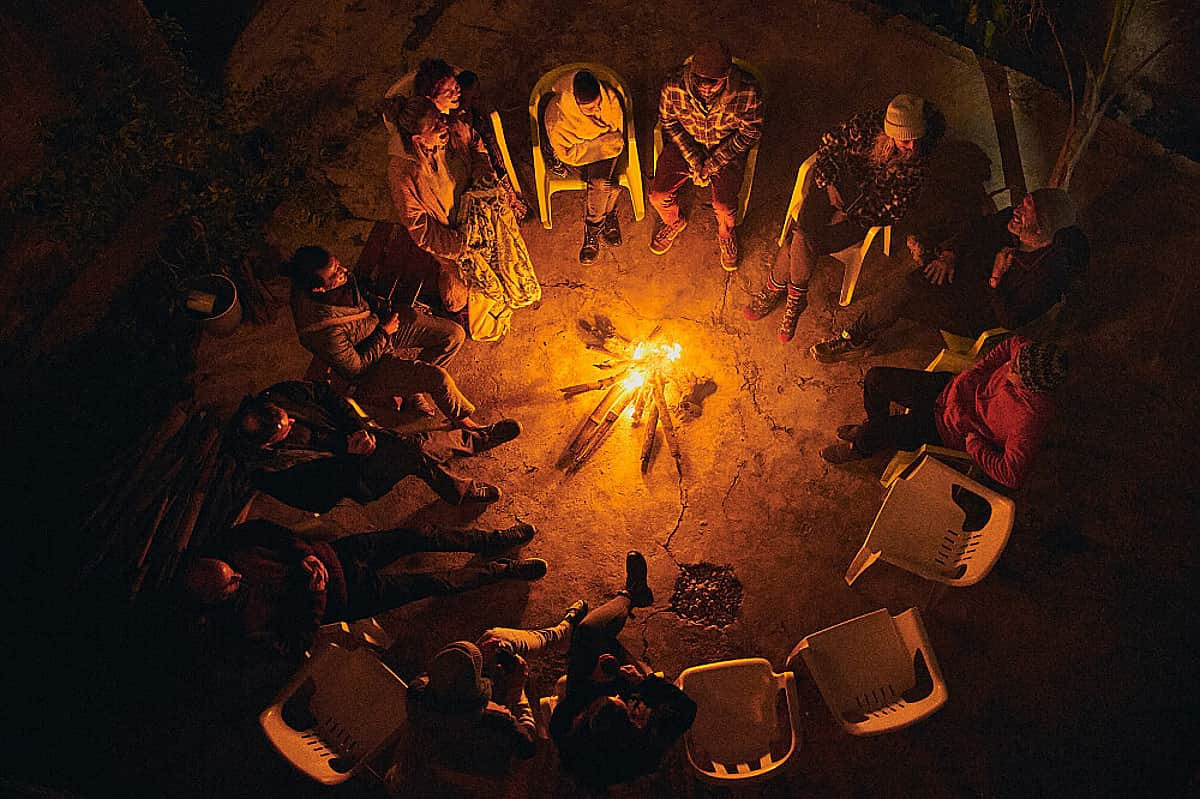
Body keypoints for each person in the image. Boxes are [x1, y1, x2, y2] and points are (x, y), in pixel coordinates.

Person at [180, 518, 546, 659]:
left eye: (233, 571)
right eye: (232, 582)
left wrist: (303, 554)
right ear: (218, 599)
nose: (240, 576)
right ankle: (503, 571)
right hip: (352, 595)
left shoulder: (233, 550)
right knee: (434, 582)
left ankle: (492, 539)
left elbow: (268, 530)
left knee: (418, 533)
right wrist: (315, 596)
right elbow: (296, 644)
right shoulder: (246, 625)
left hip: (339, 553)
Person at [745, 94, 942, 342]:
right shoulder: (866, 126)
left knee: (802, 237)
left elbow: (895, 209)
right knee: (804, 235)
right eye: (905, 140)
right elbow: (828, 145)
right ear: (890, 131)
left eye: (916, 139)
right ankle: (795, 296)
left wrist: (852, 214)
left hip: (863, 213)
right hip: (835, 186)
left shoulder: (917, 165)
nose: (912, 147)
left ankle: (777, 288)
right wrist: (829, 184)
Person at [809, 187, 1086, 361]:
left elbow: (1010, 319)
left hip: (974, 310)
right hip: (965, 273)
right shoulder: (1012, 223)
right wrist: (950, 255)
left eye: (1027, 211)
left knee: (904, 290)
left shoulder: (1047, 276)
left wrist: (996, 278)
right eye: (1024, 202)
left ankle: (855, 338)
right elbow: (979, 228)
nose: (1017, 210)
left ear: (1040, 230)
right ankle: (924, 263)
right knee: (942, 225)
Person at [231, 380, 521, 512]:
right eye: (287, 430)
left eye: (288, 418)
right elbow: (321, 501)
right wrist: (354, 460)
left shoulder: (280, 397)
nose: (293, 422)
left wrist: (356, 428)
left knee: (412, 448)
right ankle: (474, 446)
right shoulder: (269, 472)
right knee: (414, 450)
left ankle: (457, 487)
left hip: (356, 436)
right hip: (357, 477)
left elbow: (324, 395)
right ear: (270, 443)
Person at [820, 336, 1066, 489]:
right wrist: (976, 373)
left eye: (1014, 370)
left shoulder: (1028, 422)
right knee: (876, 378)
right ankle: (875, 430)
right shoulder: (1028, 355)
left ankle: (861, 447)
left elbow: (1011, 475)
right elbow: (1010, 344)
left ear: (1029, 385)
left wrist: (974, 444)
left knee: (876, 432)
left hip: (946, 428)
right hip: (947, 389)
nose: (1009, 366)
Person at [387, 95, 540, 339]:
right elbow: (419, 227)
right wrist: (459, 246)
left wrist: (483, 178)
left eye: (439, 118)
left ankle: (508, 294)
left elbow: (477, 146)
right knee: (455, 302)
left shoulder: (455, 130)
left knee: (512, 270)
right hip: (455, 239)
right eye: (434, 126)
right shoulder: (404, 174)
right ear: (418, 139)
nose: (443, 126)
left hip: (484, 216)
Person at [549, 552, 698, 787]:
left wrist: (594, 682)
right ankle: (633, 594)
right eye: (620, 702)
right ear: (635, 721)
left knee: (588, 633)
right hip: (637, 685)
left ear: (584, 718)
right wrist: (644, 683)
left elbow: (571, 702)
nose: (617, 694)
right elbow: (687, 708)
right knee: (597, 637)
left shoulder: (565, 733)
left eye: (613, 698)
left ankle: (629, 597)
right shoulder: (650, 743)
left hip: (588, 688)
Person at [401, 600, 588, 776]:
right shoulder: (498, 722)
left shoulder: (417, 694)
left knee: (493, 640)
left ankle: (561, 635)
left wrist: (482, 661)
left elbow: (452, 688)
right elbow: (531, 747)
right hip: (500, 754)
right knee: (509, 654)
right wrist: (516, 688)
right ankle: (560, 634)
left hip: (458, 722)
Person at [286, 244, 470, 420]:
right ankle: (467, 423)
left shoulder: (332, 283)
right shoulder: (320, 330)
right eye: (334, 273)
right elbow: (356, 369)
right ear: (319, 289)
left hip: (378, 326)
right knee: (438, 379)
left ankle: (412, 390)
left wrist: (382, 311)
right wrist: (383, 332)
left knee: (453, 335)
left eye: (337, 264)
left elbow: (360, 297)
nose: (342, 271)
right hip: (370, 366)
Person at [649, 40, 762, 271]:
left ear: (727, 75)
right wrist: (693, 158)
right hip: (687, 144)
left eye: (713, 81)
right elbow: (668, 122)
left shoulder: (748, 91)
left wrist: (711, 164)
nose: (705, 86)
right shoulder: (673, 85)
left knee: (724, 205)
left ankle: (726, 233)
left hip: (726, 149)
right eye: (699, 79)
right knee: (658, 195)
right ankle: (674, 220)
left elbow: (751, 132)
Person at [413, 59, 531, 220]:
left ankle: (511, 204)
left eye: (456, 87)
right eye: (448, 92)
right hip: (462, 171)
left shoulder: (459, 108)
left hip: (475, 149)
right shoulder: (434, 130)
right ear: (431, 98)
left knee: (496, 165)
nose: (456, 94)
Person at [543, 68, 626, 264]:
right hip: (575, 157)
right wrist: (595, 144)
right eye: (589, 109)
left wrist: (599, 144)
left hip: (606, 149)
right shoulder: (559, 116)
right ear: (575, 103)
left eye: (598, 105)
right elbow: (565, 151)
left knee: (599, 183)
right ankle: (607, 211)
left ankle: (593, 228)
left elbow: (617, 132)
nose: (597, 111)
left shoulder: (609, 98)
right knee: (604, 185)